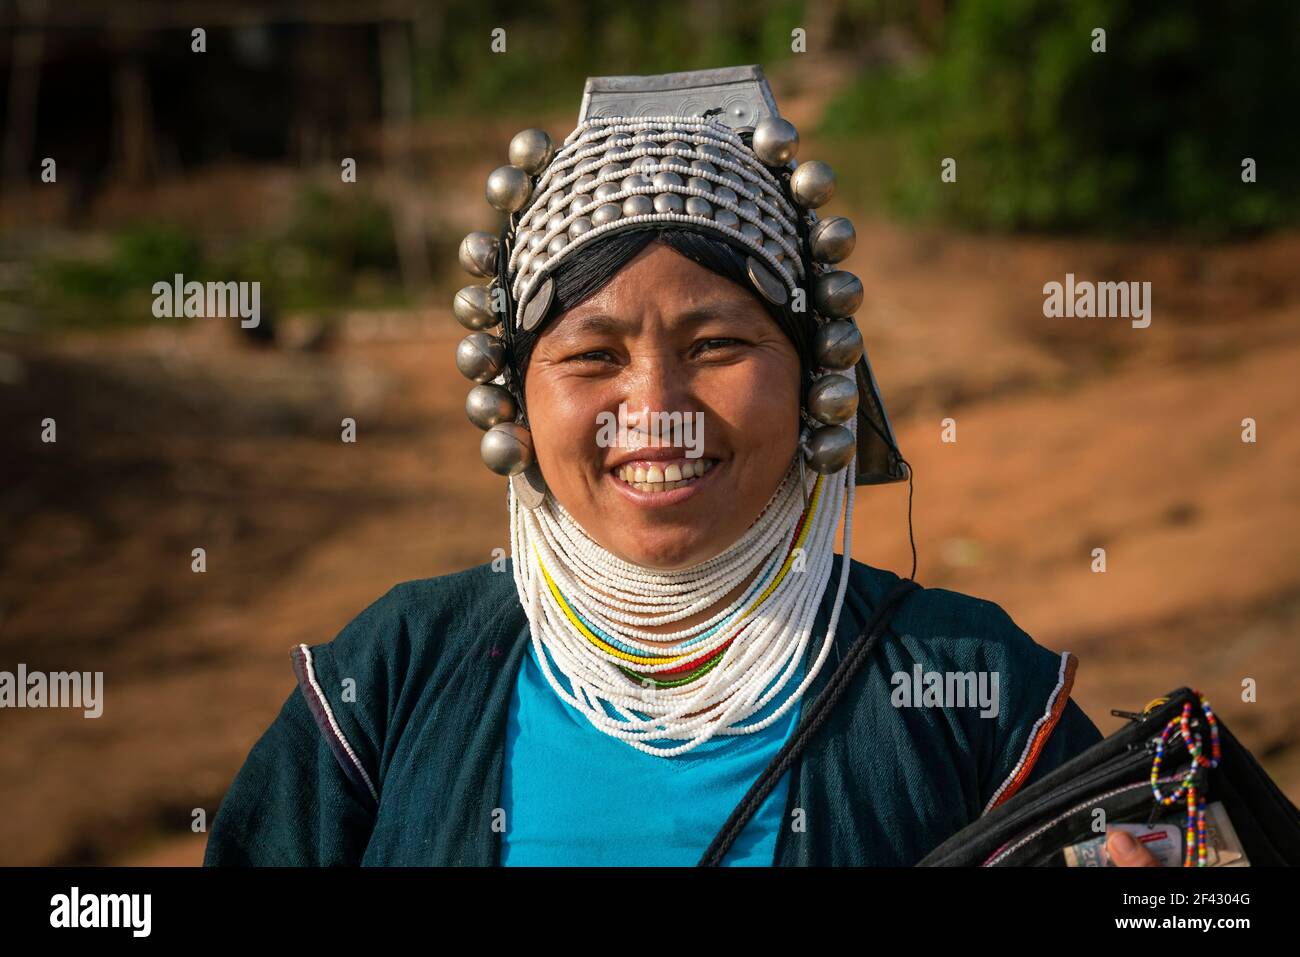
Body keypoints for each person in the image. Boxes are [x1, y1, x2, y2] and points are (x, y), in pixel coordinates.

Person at [203, 65, 1158, 867]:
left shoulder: (965, 682)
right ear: (514, 398)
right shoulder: (400, 669)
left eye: (716, 346)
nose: (656, 413)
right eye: (592, 356)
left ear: (815, 378)